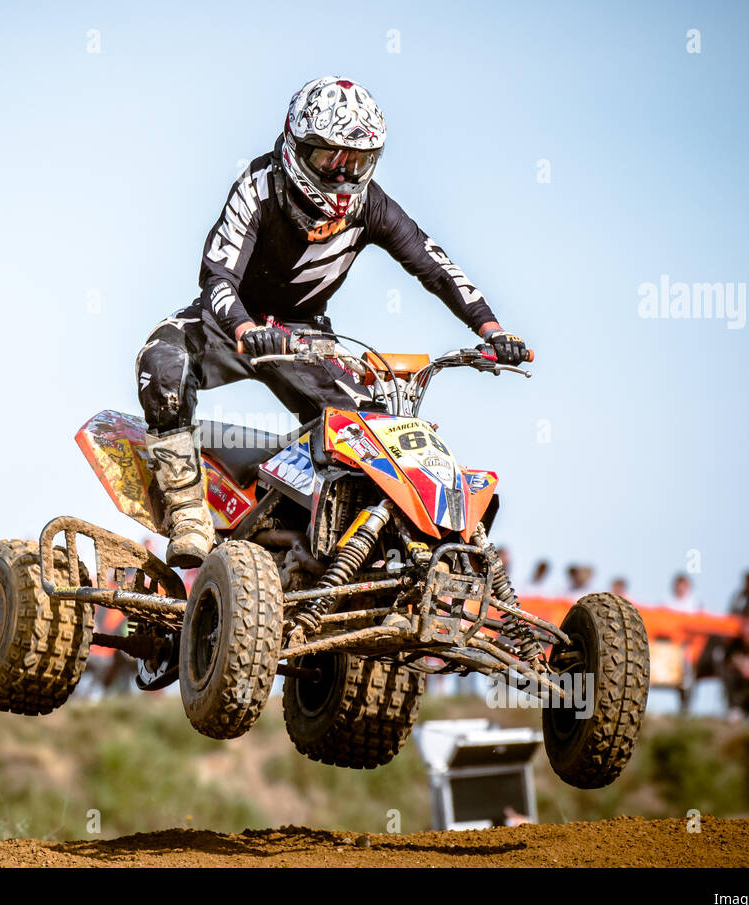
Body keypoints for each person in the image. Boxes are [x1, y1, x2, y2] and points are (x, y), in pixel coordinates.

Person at [134, 76, 530, 568]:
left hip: (305, 337)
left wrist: (492, 330)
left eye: (357, 162)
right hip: (228, 322)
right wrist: (243, 330)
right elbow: (216, 276)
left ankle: (348, 554)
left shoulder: (371, 205)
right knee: (161, 360)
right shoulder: (258, 185)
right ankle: (189, 515)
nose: (343, 176)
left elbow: (433, 263)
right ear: (297, 147)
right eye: (330, 160)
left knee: (372, 434)